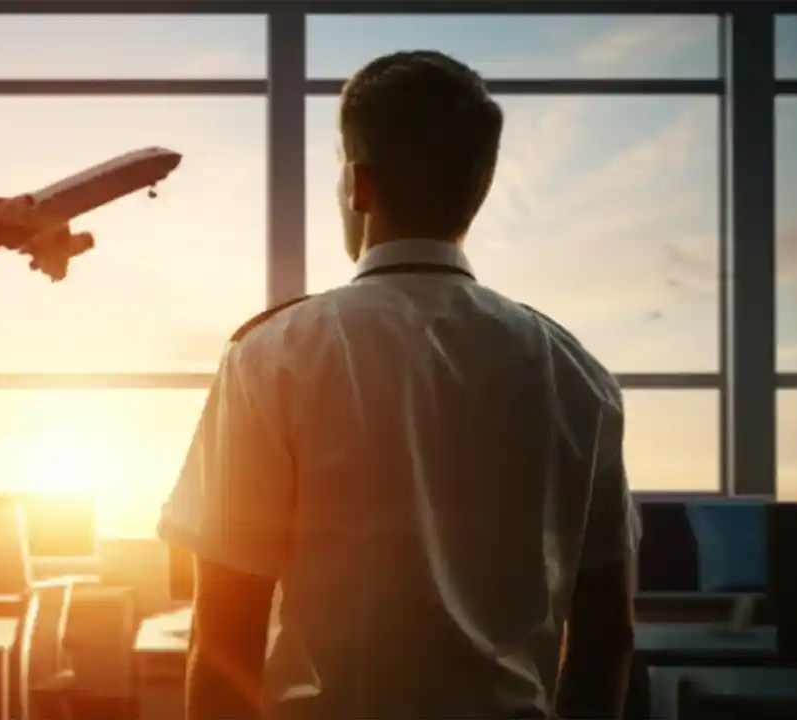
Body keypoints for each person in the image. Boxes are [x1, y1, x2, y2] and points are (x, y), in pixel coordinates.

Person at [158, 50, 640, 720]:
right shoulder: (576, 373)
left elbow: (222, 640)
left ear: (357, 184)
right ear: (478, 187)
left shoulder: (272, 356)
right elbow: (606, 635)